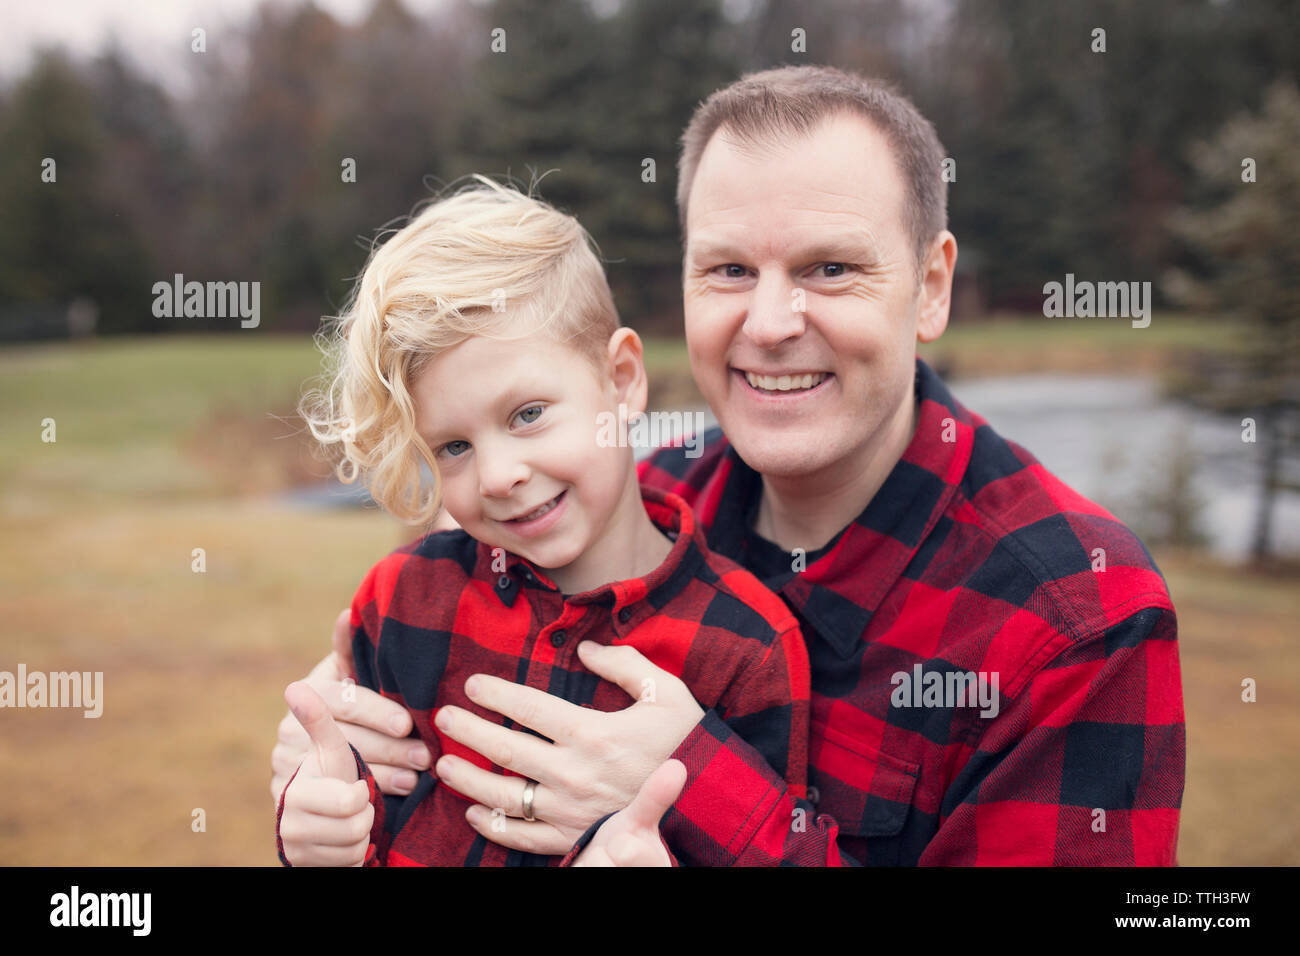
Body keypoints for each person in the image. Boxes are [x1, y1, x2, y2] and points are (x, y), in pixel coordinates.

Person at [272, 65, 1185, 866]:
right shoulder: (640, 495)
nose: (773, 322)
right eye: (729, 271)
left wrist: (699, 785)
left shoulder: (1078, 618)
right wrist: (331, 750)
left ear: (932, 285)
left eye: (830, 268)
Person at [275, 178, 810, 866]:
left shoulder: (747, 648)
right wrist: (315, 830)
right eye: (454, 447)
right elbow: (356, 797)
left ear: (621, 380)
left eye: (527, 414)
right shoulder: (406, 597)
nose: (498, 475)